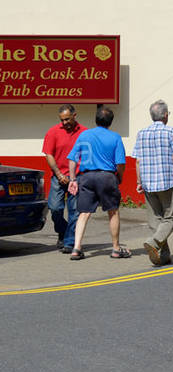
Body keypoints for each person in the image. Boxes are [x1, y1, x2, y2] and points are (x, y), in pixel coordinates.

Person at [65, 105, 128, 260]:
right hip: (106, 176)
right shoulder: (115, 137)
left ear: (96, 119)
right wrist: (119, 177)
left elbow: (72, 159)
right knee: (112, 211)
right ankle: (115, 248)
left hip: (86, 177)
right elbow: (120, 163)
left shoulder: (84, 135)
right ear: (111, 122)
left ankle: (76, 248)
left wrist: (73, 179)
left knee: (84, 213)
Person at [132, 99, 173, 266]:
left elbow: (137, 161)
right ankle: (155, 242)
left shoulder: (142, 133)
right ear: (165, 115)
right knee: (170, 217)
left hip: (148, 182)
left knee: (155, 219)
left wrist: (138, 181)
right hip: (167, 181)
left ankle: (163, 256)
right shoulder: (170, 131)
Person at [42, 103, 84, 253]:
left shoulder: (84, 133)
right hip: (57, 177)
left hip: (77, 178)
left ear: (74, 115)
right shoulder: (53, 132)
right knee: (54, 208)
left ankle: (69, 242)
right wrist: (59, 174)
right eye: (62, 120)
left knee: (74, 211)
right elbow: (48, 154)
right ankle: (64, 230)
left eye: (67, 119)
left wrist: (75, 177)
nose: (65, 123)